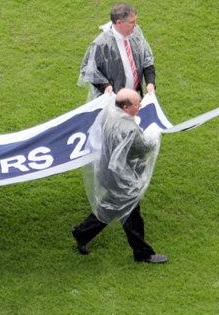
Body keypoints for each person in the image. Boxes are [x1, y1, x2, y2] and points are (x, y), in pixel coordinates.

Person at [71, 89, 168, 263]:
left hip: (106, 171)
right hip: (121, 178)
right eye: (137, 104)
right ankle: (142, 253)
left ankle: (82, 233)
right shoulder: (129, 129)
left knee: (111, 206)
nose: (140, 106)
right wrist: (155, 135)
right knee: (131, 213)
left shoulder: (109, 112)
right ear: (125, 106)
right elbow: (144, 147)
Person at [79, 3, 156, 101]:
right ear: (119, 22)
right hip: (113, 103)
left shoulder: (136, 33)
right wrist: (105, 86)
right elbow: (88, 69)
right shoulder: (101, 44)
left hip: (135, 98)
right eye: (132, 22)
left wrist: (150, 82)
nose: (135, 24)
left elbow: (147, 59)